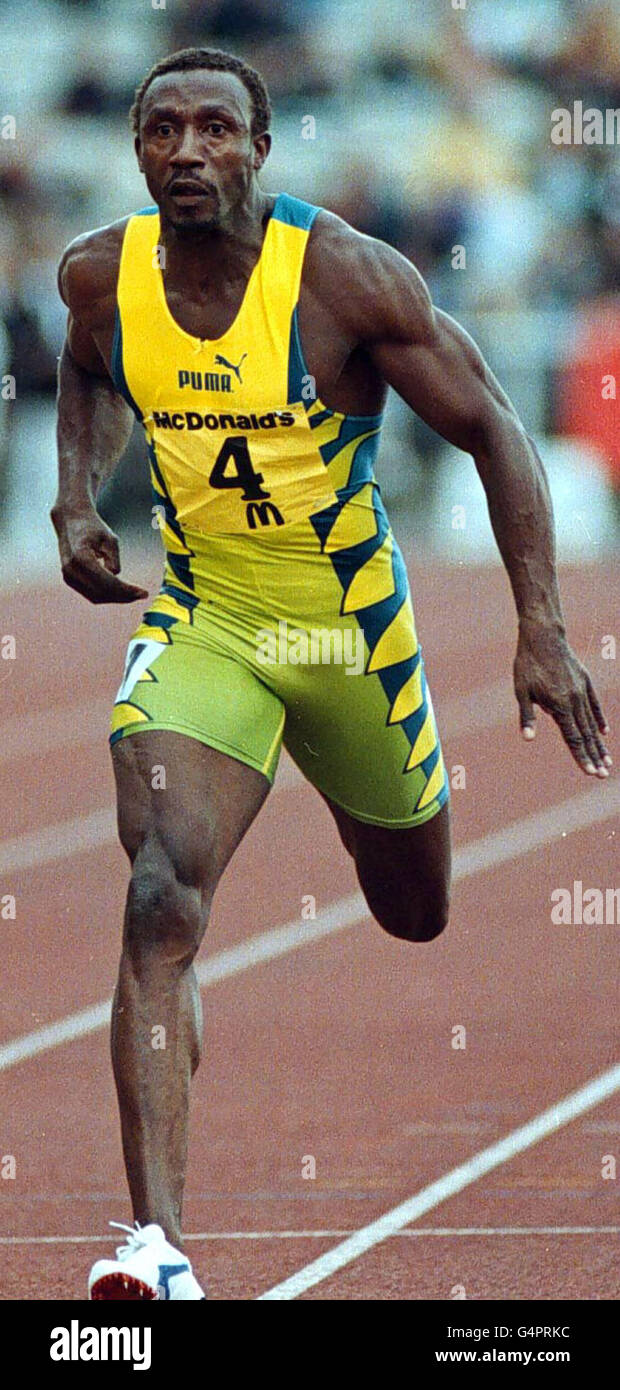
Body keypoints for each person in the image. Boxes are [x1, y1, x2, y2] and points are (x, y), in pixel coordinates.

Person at [51, 47, 611, 1300]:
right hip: (207, 619)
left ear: (259, 149)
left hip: (346, 631)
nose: (185, 151)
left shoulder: (344, 280)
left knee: (415, 908)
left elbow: (492, 430)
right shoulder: (100, 275)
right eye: (161, 131)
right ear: (137, 150)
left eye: (212, 130)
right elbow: (90, 374)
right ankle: (159, 1248)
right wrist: (73, 501)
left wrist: (539, 627)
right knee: (158, 896)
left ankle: (366, 807)